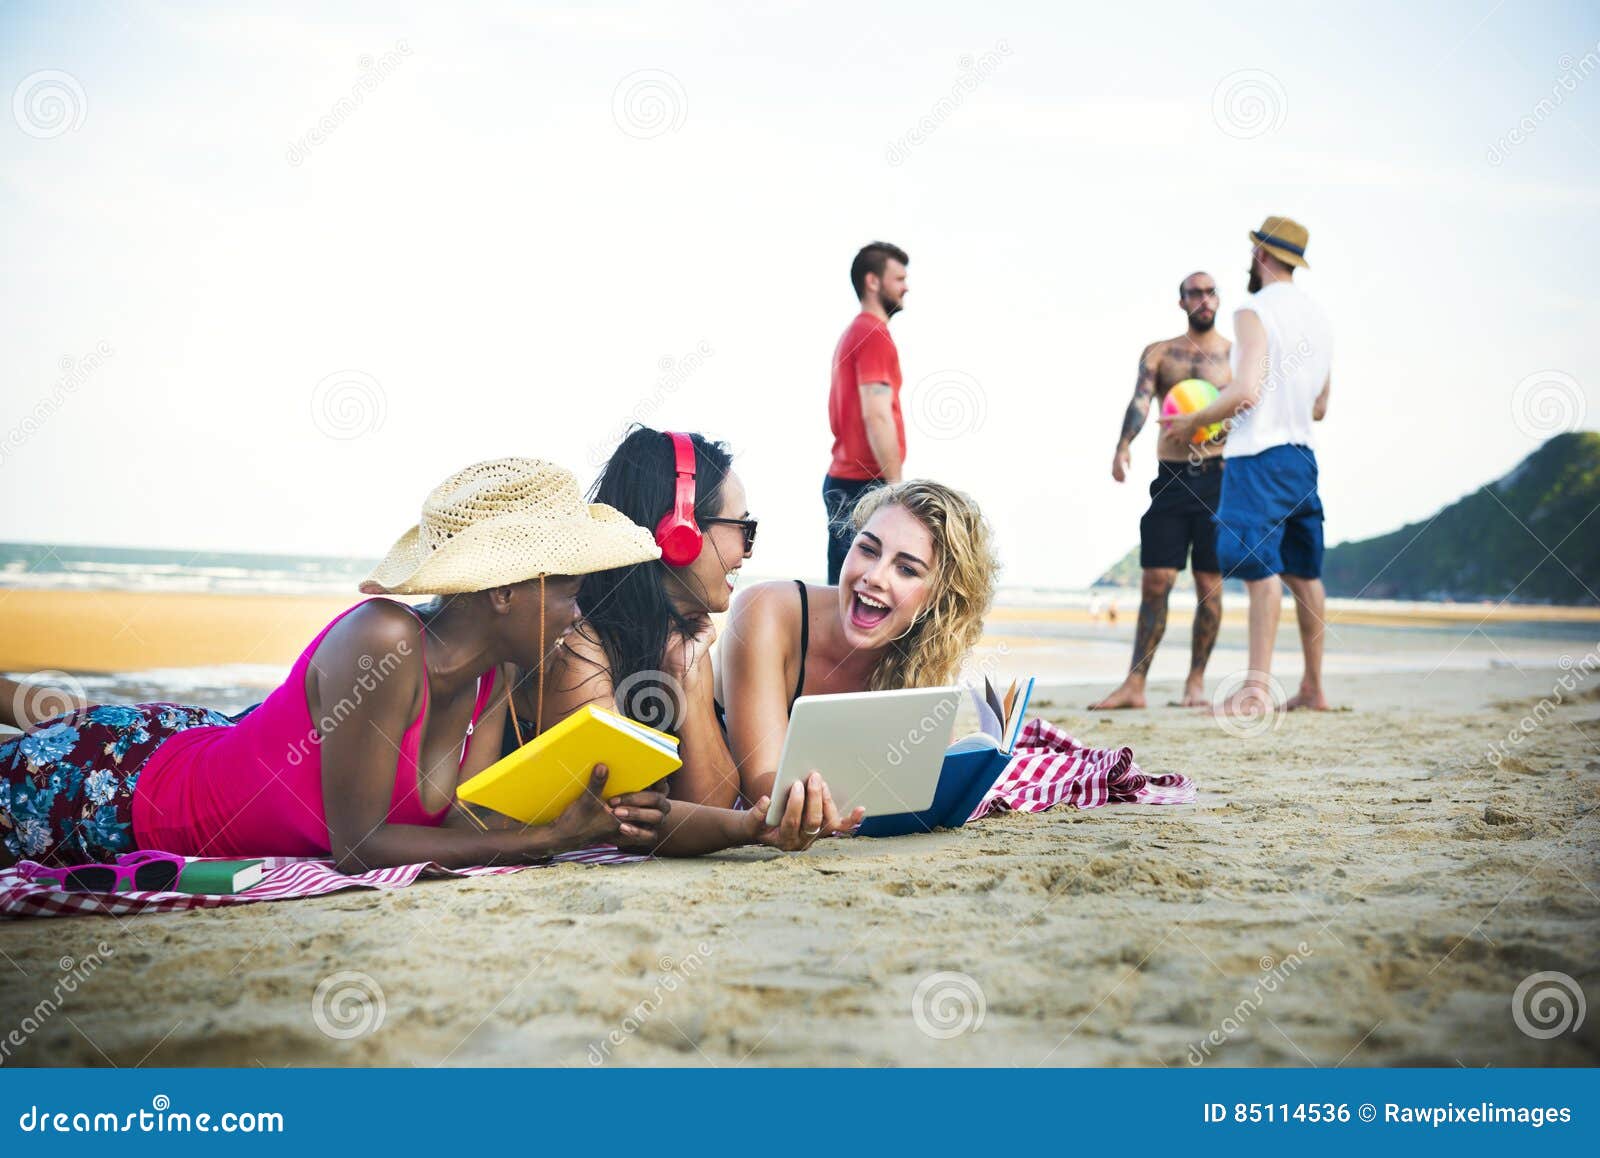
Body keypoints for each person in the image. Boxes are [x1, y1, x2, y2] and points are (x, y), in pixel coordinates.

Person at [0, 459, 672, 872]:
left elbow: (462, 825)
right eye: (568, 589)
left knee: (43, 711)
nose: (579, 613)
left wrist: (574, 816)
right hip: (118, 791)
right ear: (505, 591)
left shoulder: (489, 676)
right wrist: (544, 842)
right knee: (42, 733)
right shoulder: (383, 640)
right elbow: (361, 847)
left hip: (203, 738)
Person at [503, 426, 859, 850]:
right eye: (743, 528)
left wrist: (688, 675)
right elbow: (625, 819)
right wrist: (743, 828)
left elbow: (711, 799)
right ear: (680, 532)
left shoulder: (682, 632)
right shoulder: (577, 643)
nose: (748, 551)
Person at [719, 479, 999, 807]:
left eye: (907, 569)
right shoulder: (767, 611)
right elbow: (763, 788)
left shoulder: (919, 653)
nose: (875, 576)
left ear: (938, 597)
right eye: (868, 549)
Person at [1162, 216, 1333, 713]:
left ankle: (1257, 689)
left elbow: (1245, 392)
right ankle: (1314, 688)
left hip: (1258, 459)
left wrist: (1189, 420)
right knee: (1305, 575)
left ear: (1260, 255)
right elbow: (1321, 407)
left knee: (1260, 571)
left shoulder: (1252, 309)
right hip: (1302, 457)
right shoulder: (1321, 319)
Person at [1092, 271, 1232, 709]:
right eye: (1195, 293)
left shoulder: (1235, 354)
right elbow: (1140, 400)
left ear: (1218, 299)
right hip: (1171, 475)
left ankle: (1195, 683)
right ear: (1182, 301)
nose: (1204, 299)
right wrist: (1122, 446)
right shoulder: (1159, 353)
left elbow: (1248, 409)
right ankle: (1135, 685)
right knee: (1156, 580)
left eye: (1210, 292)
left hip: (1219, 475)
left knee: (1210, 583)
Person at [823, 241, 910, 584]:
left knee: (842, 592)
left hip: (847, 479)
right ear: (873, 282)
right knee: (860, 595)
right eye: (899, 278)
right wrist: (895, 488)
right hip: (863, 484)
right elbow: (877, 415)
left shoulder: (856, 332)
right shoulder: (873, 334)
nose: (906, 286)